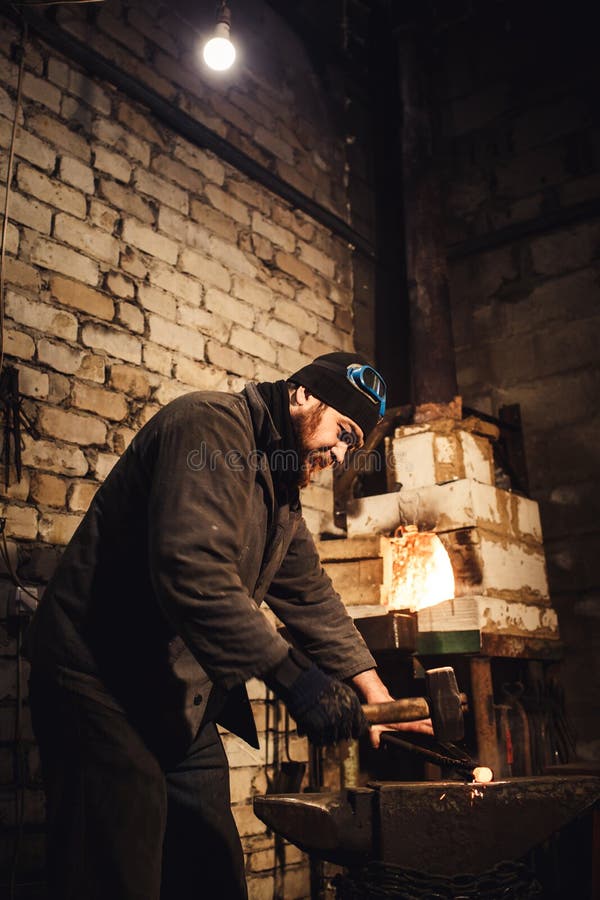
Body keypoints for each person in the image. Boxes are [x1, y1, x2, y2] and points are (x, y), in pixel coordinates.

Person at [24, 351, 430, 900]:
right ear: (303, 395)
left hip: (174, 698)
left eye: (351, 445)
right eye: (341, 432)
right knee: (117, 874)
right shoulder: (210, 425)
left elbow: (310, 595)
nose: (338, 454)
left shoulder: (279, 486)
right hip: (101, 683)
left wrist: (375, 696)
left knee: (212, 872)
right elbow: (190, 569)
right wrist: (298, 680)